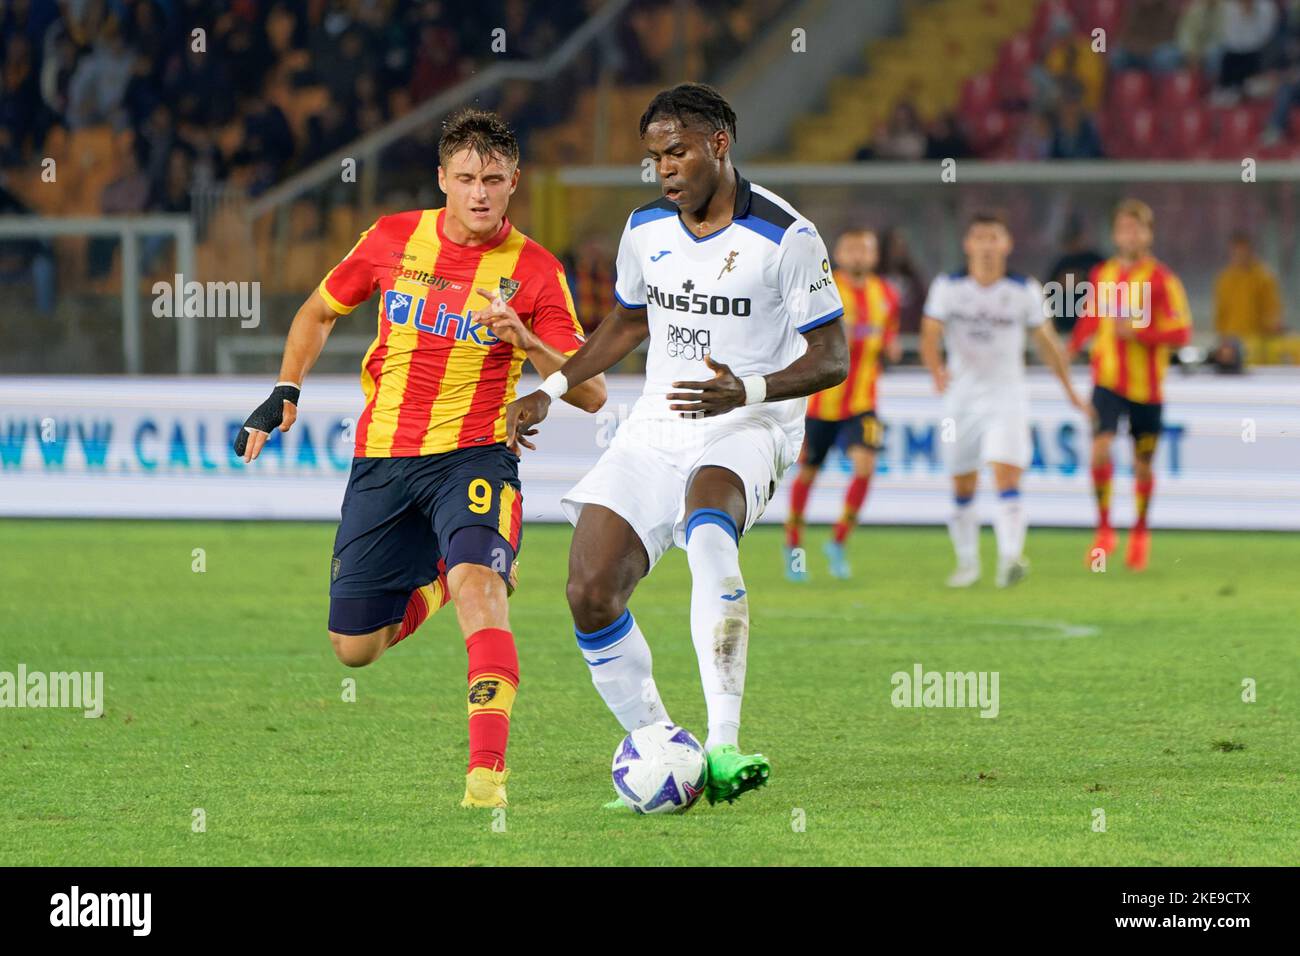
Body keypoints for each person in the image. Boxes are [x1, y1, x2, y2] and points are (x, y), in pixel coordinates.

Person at [232, 109, 606, 809]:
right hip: (382, 458)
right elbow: (317, 313)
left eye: (494, 179)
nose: (480, 194)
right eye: (466, 178)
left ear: (514, 182)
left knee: (481, 590)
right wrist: (286, 389)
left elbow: (591, 389)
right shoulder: (391, 239)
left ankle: (486, 779)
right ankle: (440, 579)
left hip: (474, 458)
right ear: (443, 179)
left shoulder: (535, 272)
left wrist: (525, 335)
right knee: (355, 648)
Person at [506, 83, 848, 807]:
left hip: (749, 424)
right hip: (657, 424)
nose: (663, 168)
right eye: (654, 156)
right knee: (589, 591)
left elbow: (833, 357)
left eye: (677, 151)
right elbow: (628, 323)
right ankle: (665, 747)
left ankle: (724, 744)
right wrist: (552, 390)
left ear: (718, 144)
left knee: (708, 526)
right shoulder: (645, 230)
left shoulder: (788, 237)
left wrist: (749, 391)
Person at [920, 212, 1089, 589]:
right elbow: (929, 333)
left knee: (1005, 471)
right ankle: (967, 564)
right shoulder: (948, 287)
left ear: (1007, 244)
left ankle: (1011, 557)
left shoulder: (1023, 289)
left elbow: (1047, 344)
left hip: (1006, 396)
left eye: (993, 237)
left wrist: (1072, 393)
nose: (986, 245)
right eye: (978, 237)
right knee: (962, 484)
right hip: (960, 399)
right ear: (968, 245)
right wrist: (936, 371)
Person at [1069, 199, 1192, 571]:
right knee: (1100, 448)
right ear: (1115, 234)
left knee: (1142, 464)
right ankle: (1104, 529)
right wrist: (1071, 346)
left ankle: (1140, 529)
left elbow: (1182, 330)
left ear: (1148, 234)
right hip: (1106, 380)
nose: (1130, 235)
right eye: (1124, 228)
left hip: (1146, 388)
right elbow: (1091, 317)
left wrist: (1140, 332)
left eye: (1137, 228)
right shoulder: (1102, 273)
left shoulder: (1162, 279)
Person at [784, 228, 899, 581]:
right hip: (820, 404)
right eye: (852, 249)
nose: (859, 255)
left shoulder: (887, 295)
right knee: (808, 474)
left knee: (865, 468)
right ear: (838, 252)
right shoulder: (823, 289)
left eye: (865, 248)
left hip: (863, 402)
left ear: (875, 254)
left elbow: (889, 342)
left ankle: (837, 542)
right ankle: (794, 548)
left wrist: (888, 349)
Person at [1213, 231, 1282, 353]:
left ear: (1250, 251)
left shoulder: (1263, 277)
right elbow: (1221, 311)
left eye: (1243, 251)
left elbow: (1272, 309)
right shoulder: (1225, 279)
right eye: (1236, 251)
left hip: (1257, 341)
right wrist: (1222, 337)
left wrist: (1271, 329)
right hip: (1231, 340)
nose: (1239, 255)